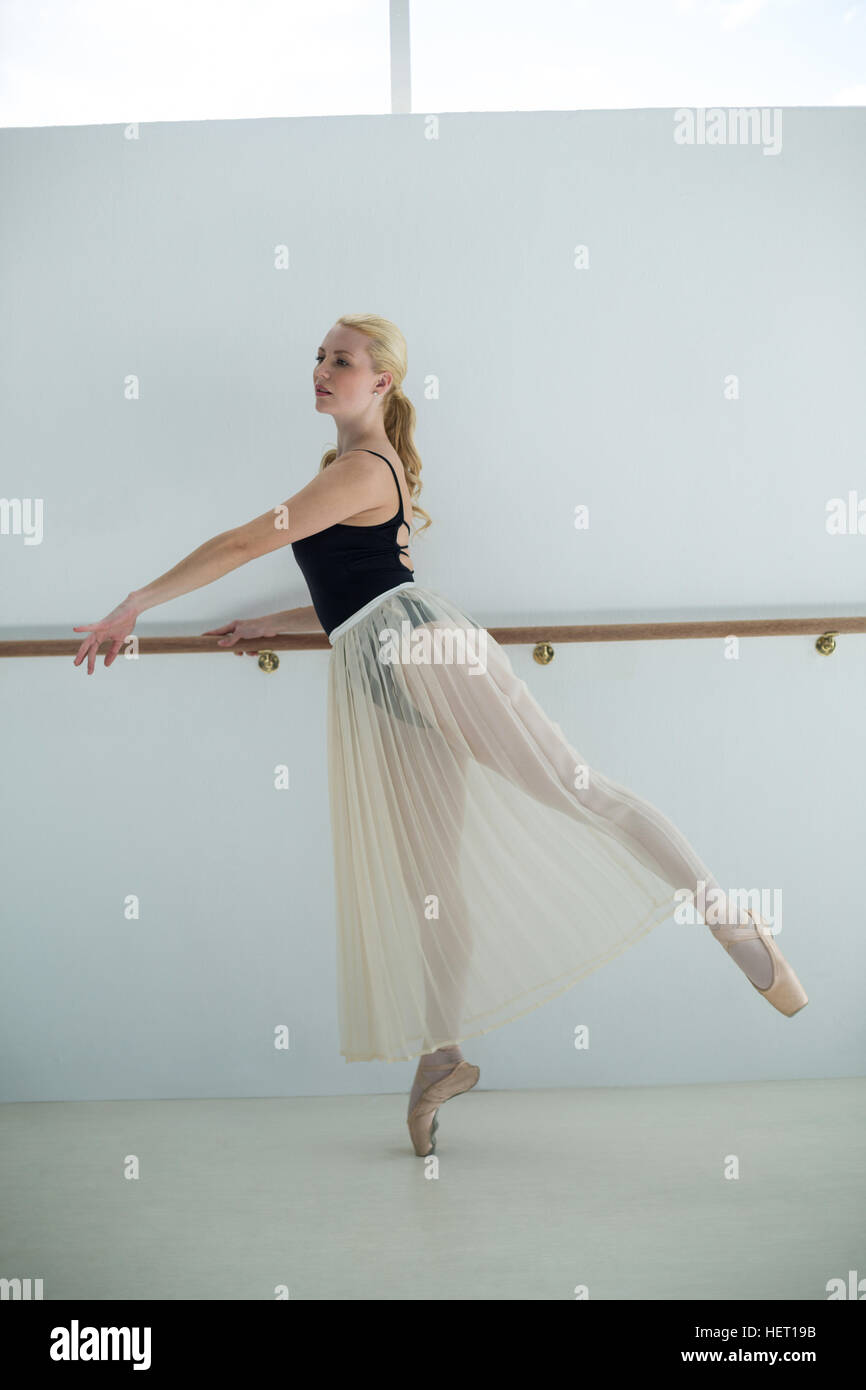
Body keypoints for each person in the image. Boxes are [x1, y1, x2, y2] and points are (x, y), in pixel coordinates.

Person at [73, 313, 808, 1160]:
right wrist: (270, 625)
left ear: (381, 381)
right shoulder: (342, 469)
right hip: (385, 675)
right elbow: (362, 588)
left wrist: (136, 603)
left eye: (341, 360)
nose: (322, 369)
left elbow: (248, 540)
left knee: (577, 790)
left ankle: (729, 919)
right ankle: (441, 1054)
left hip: (426, 655)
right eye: (318, 357)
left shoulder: (360, 469)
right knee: (432, 881)